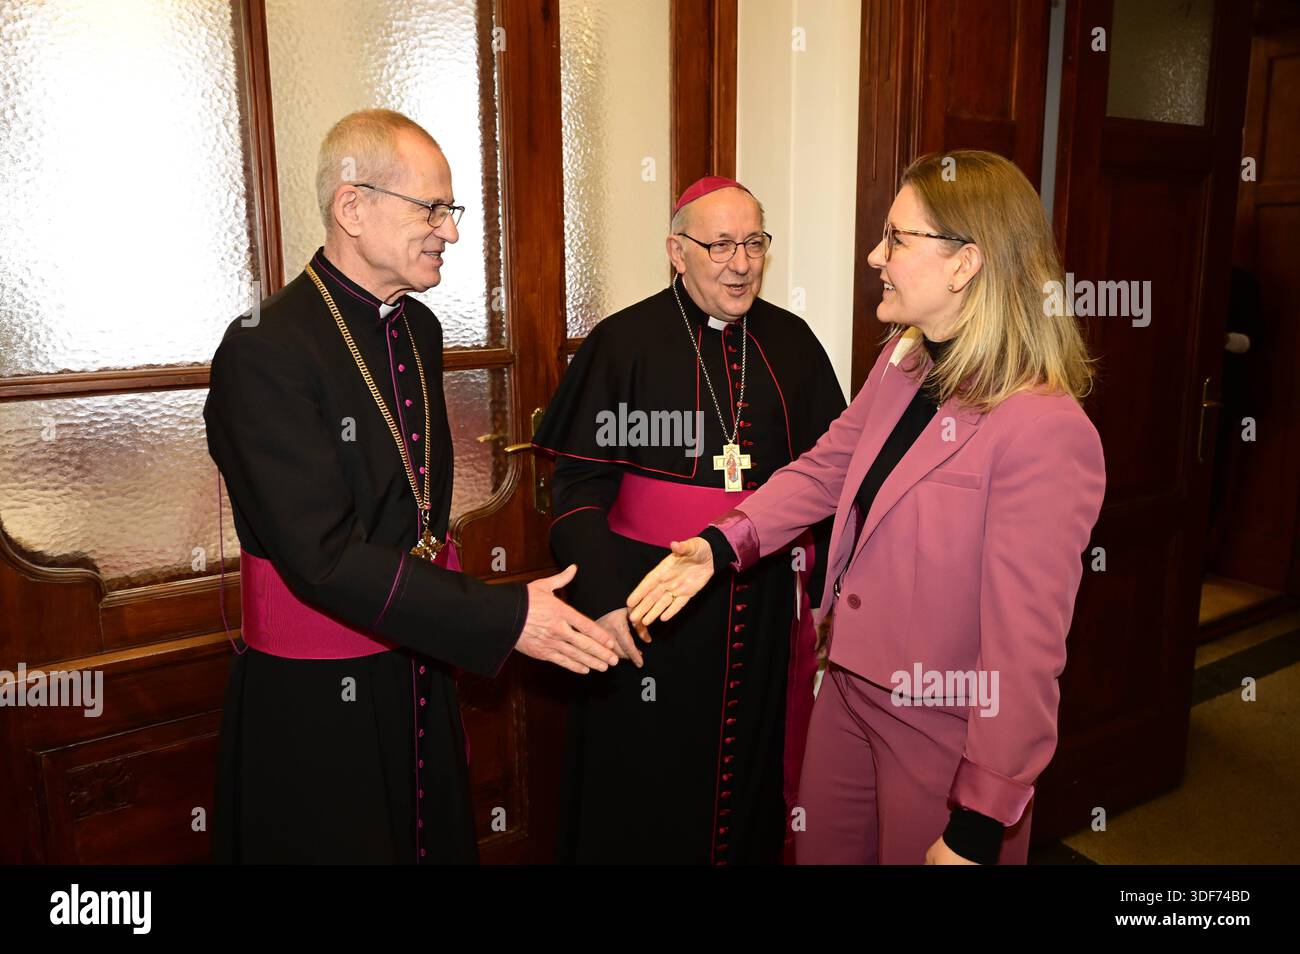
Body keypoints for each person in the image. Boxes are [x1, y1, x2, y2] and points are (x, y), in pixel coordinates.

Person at [628, 151, 1106, 865]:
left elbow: (1025, 651)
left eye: (897, 239)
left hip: (944, 729)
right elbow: (826, 469)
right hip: (847, 693)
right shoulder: (904, 365)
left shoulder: (1045, 428)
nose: (875, 255)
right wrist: (720, 546)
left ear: (965, 262)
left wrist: (980, 820)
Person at [204, 108, 618, 864]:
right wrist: (499, 617)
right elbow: (321, 557)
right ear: (351, 206)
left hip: (414, 656)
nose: (451, 232)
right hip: (318, 696)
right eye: (433, 209)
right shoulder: (263, 346)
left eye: (450, 211)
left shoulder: (416, 331)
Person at [532, 176, 846, 864]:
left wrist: (828, 599)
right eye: (720, 245)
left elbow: (830, 480)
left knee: (752, 782)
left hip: (759, 604)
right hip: (648, 609)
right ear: (677, 251)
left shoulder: (791, 343)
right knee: (647, 791)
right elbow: (579, 488)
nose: (741, 263)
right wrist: (608, 601)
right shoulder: (624, 342)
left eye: (754, 243)